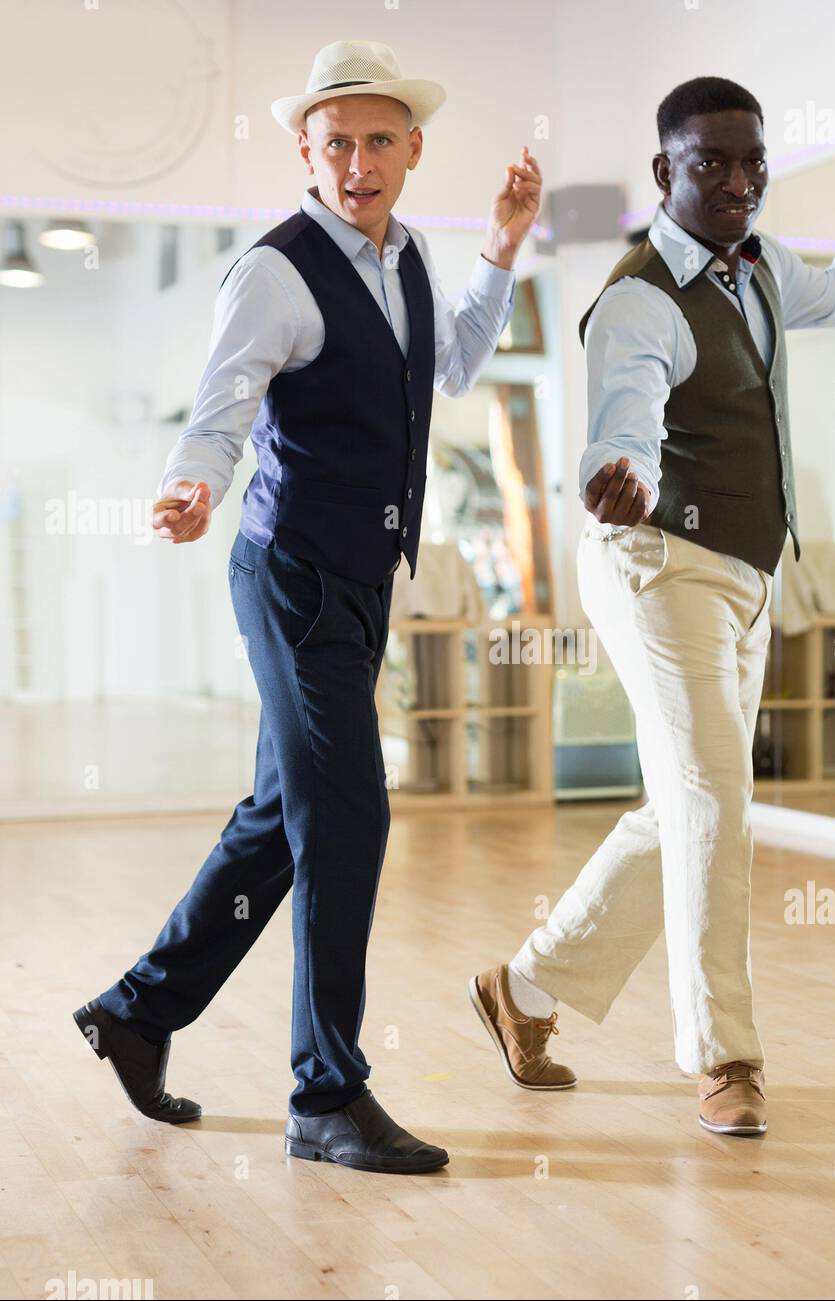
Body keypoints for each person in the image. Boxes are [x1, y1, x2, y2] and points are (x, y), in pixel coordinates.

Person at [74, 39, 541, 1174]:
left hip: (361, 578)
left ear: (412, 149)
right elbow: (224, 401)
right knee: (347, 815)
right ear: (306, 149)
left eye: (380, 140)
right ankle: (324, 1093)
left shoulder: (413, 258)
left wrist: (499, 250)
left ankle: (138, 1012)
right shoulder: (273, 269)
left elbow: (453, 365)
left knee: (281, 816)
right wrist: (193, 482)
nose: (358, 161)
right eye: (337, 142)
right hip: (286, 575)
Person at [470, 78, 835, 1136]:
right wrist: (621, 474)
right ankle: (724, 1056)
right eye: (710, 165)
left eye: (751, 163)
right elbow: (623, 424)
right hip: (657, 561)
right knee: (714, 801)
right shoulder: (640, 296)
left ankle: (526, 986)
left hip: (744, 575)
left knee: (689, 803)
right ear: (663, 173)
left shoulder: (766, 267)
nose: (736, 183)